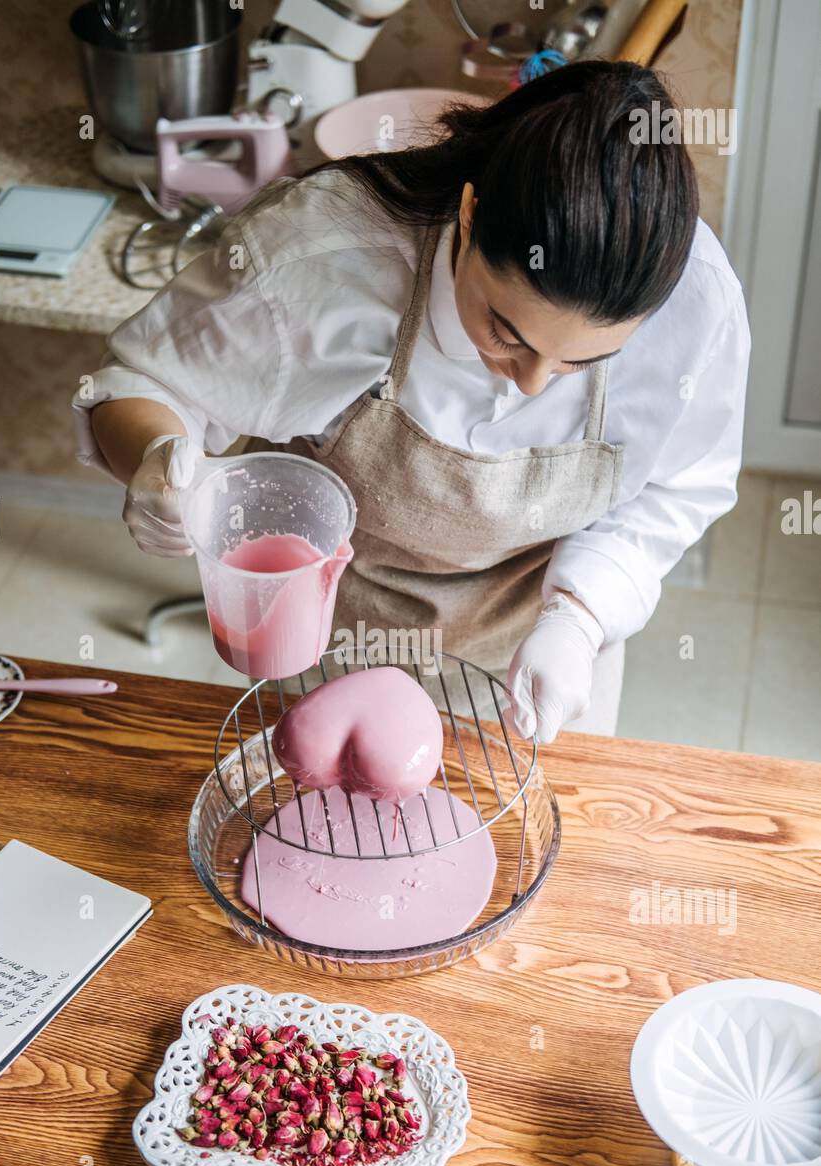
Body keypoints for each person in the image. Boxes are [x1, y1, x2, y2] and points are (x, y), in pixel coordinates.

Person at [72, 60, 750, 742]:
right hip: (330, 654)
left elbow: (679, 490)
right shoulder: (325, 254)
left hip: (540, 666)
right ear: (468, 213)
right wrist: (160, 459)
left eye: (583, 360)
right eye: (506, 332)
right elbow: (143, 384)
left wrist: (578, 618)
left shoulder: (698, 309)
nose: (533, 383)